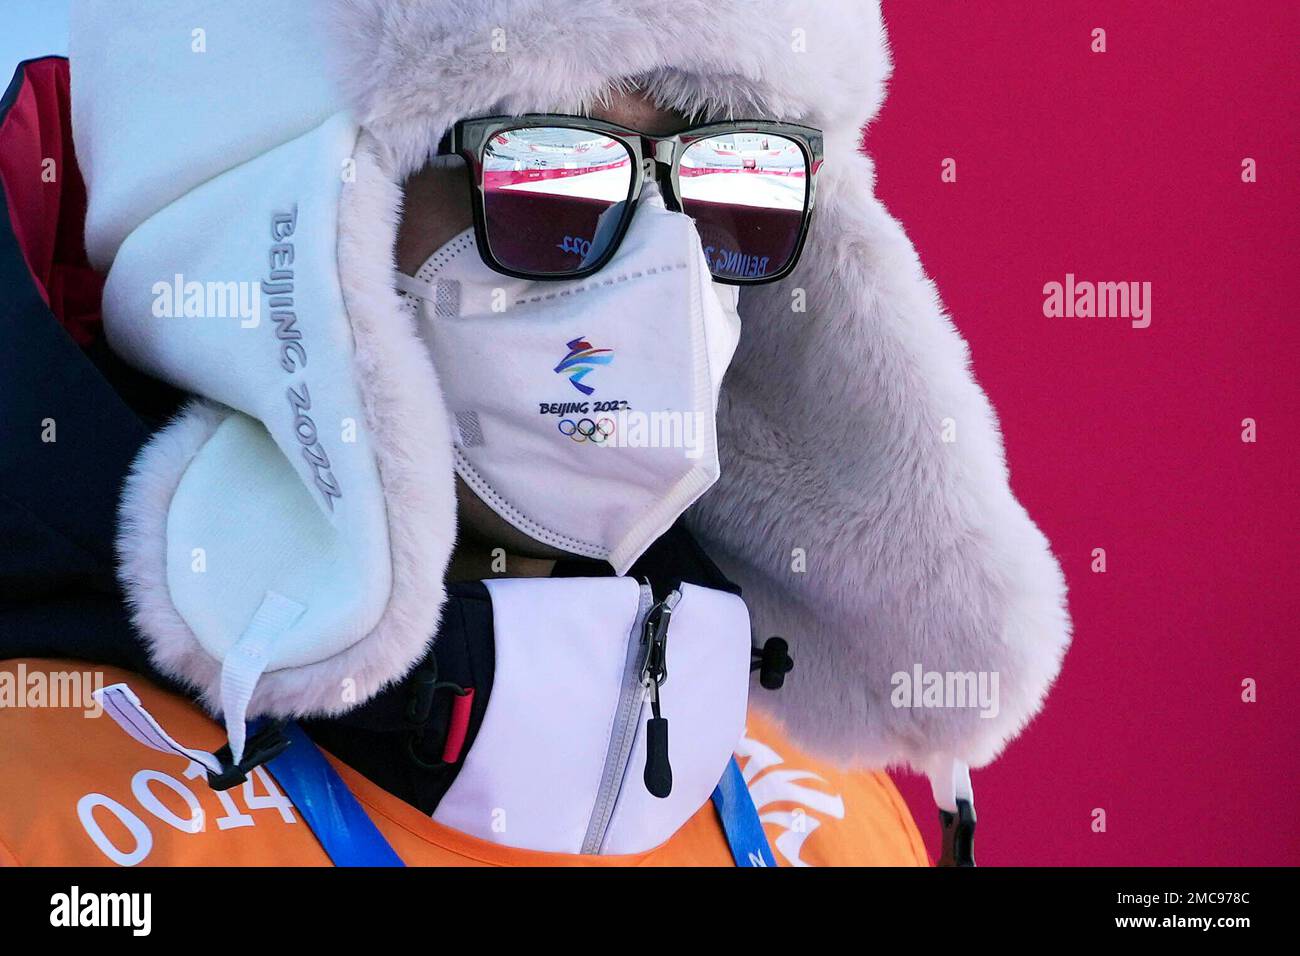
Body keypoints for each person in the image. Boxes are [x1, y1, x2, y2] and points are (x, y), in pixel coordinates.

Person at [0, 0, 1070, 867]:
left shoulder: (817, 806)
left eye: (732, 183)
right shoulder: (51, 814)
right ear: (268, 222)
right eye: (550, 172)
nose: (670, 274)